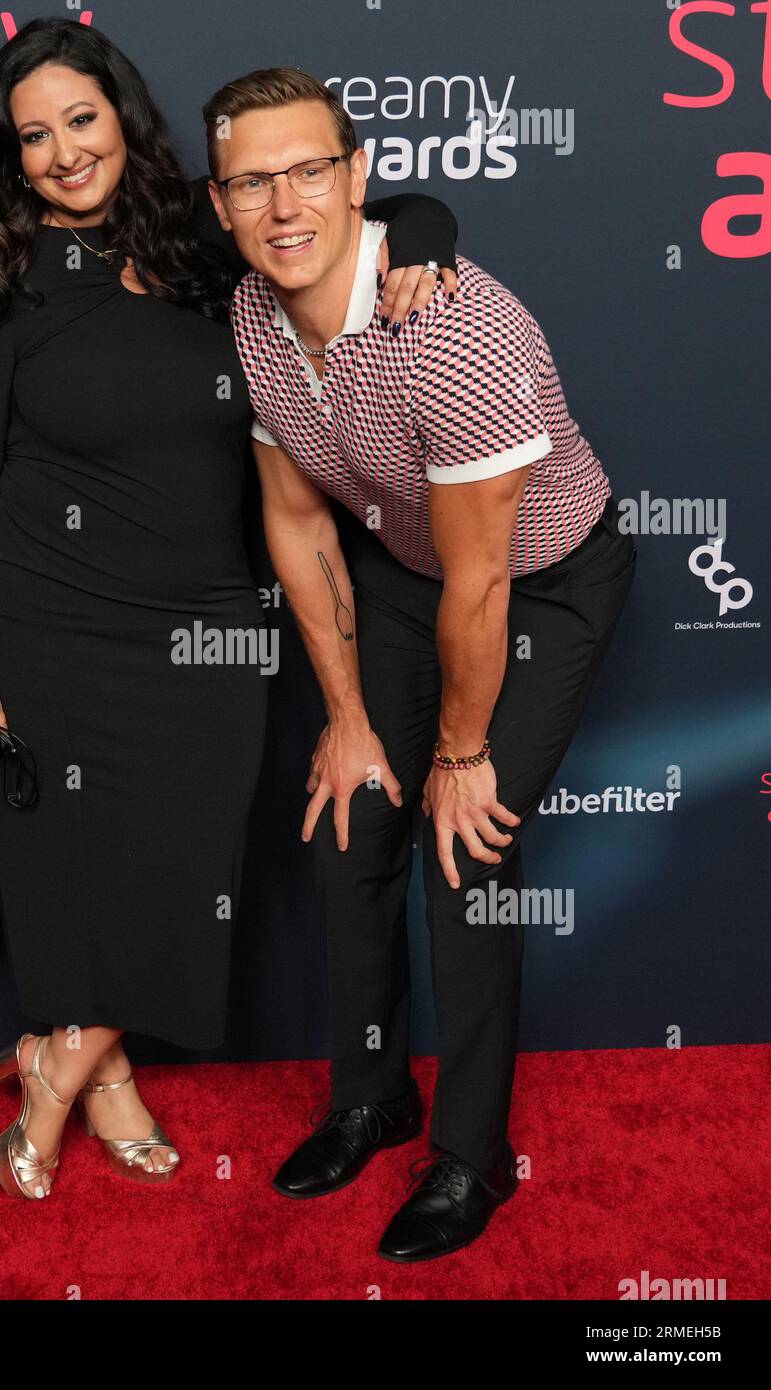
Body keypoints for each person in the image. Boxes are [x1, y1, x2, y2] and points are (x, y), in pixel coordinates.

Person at [0, 20, 460, 1201]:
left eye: (81, 118)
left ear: (122, 115)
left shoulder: (199, 238)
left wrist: (422, 232)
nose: (64, 152)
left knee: (175, 866)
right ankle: (94, 1077)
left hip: (210, 628)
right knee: (75, 872)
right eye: (33, 137)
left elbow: (349, 222)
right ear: (9, 160)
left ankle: (51, 1057)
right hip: (54, 628)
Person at [203, 67, 636, 1259]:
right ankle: (370, 1097)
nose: (281, 205)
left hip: (538, 579)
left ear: (355, 179)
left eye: (307, 172)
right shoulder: (250, 310)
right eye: (251, 181)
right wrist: (343, 715)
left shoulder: (450, 332)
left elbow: (485, 580)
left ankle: (470, 1156)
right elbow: (294, 521)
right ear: (219, 202)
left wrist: (458, 753)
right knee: (351, 818)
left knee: (463, 845)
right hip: (402, 569)